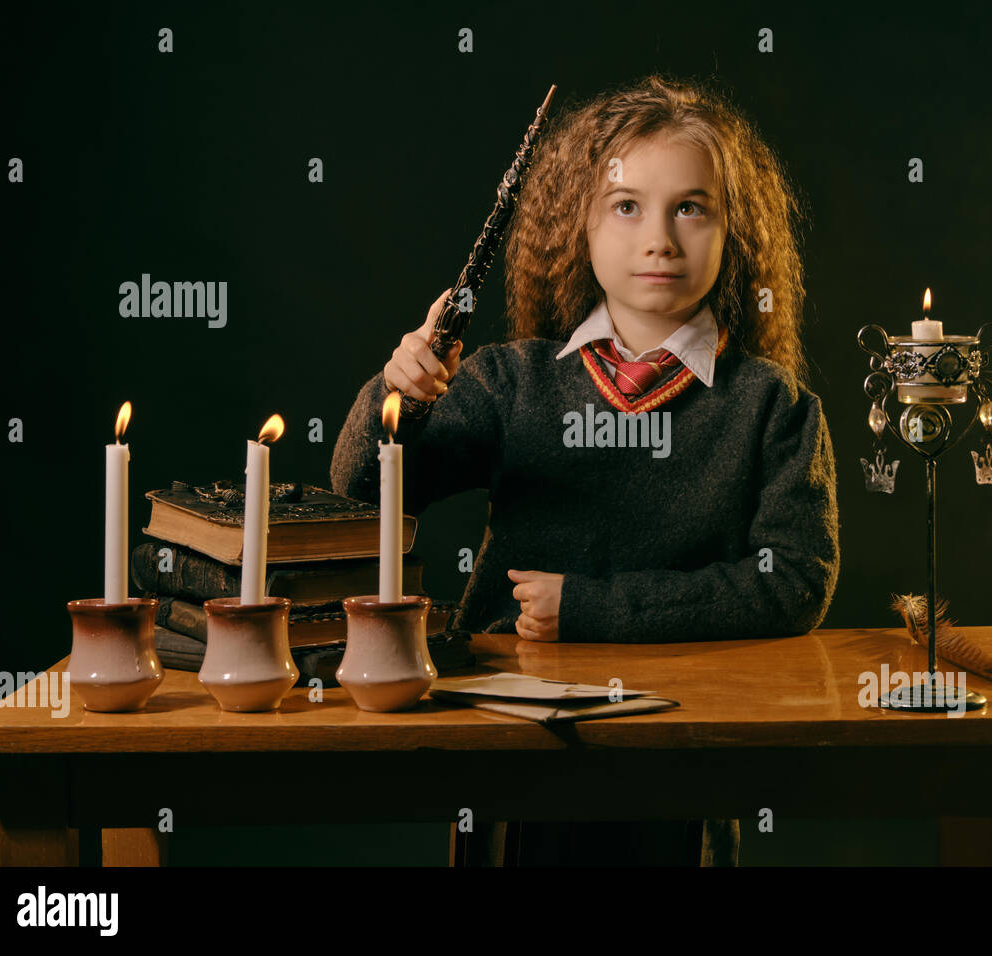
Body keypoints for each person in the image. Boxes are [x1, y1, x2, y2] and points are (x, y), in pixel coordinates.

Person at [331, 74, 839, 865]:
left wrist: (593, 609)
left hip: (685, 752)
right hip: (511, 752)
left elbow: (793, 584)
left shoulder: (771, 408)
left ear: (735, 227)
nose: (659, 239)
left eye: (692, 207)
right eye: (627, 205)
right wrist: (398, 395)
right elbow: (362, 492)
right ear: (581, 225)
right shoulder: (513, 383)